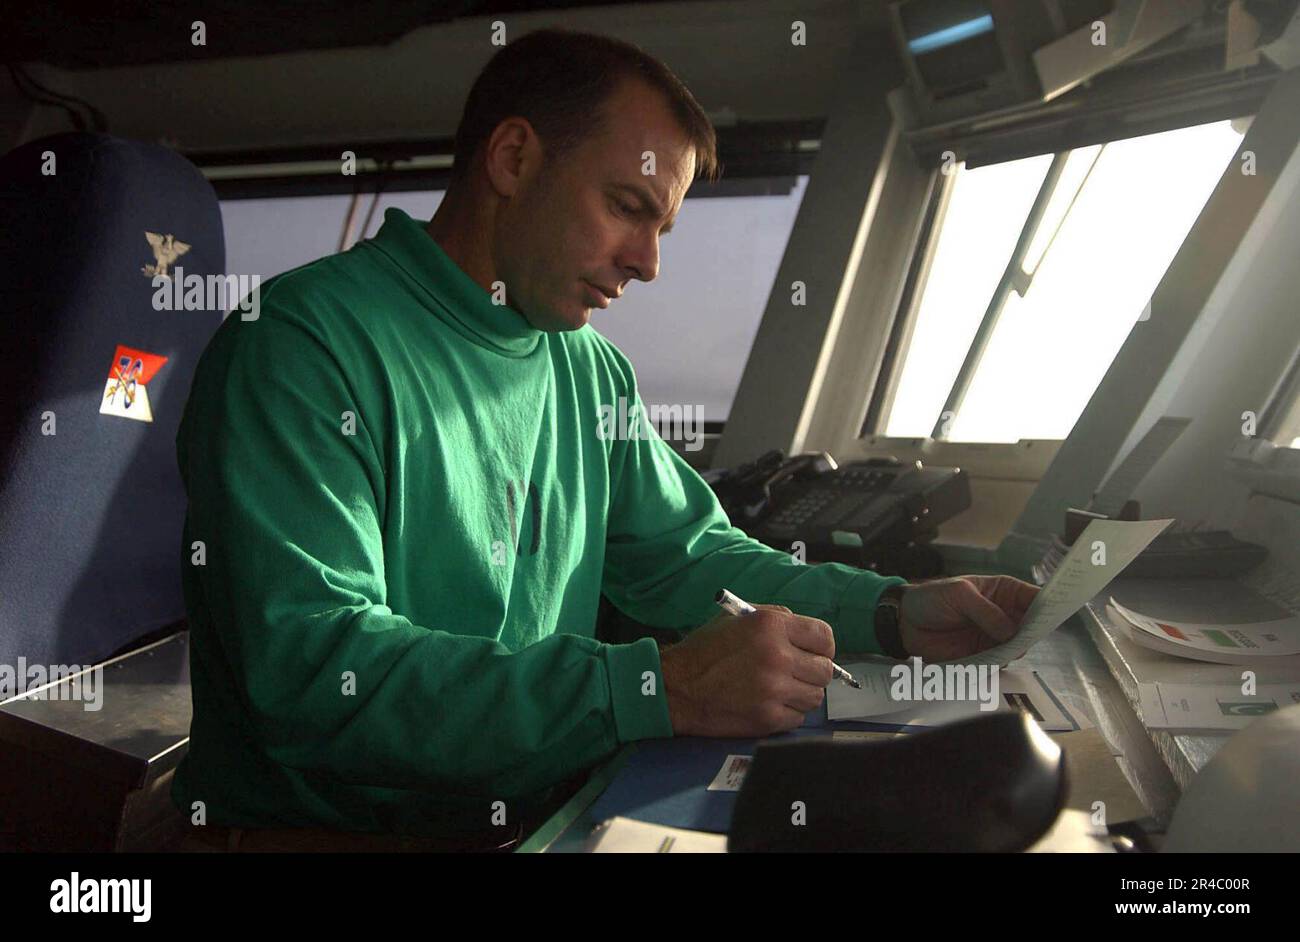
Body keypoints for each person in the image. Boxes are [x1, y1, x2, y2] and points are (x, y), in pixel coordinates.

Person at [172, 27, 1038, 850]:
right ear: (513, 160)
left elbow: (687, 559)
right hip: (337, 837)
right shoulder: (301, 345)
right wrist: (667, 685)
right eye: (628, 207)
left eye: (662, 226)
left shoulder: (587, 370)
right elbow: (319, 677)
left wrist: (890, 613)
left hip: (533, 809)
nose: (648, 262)